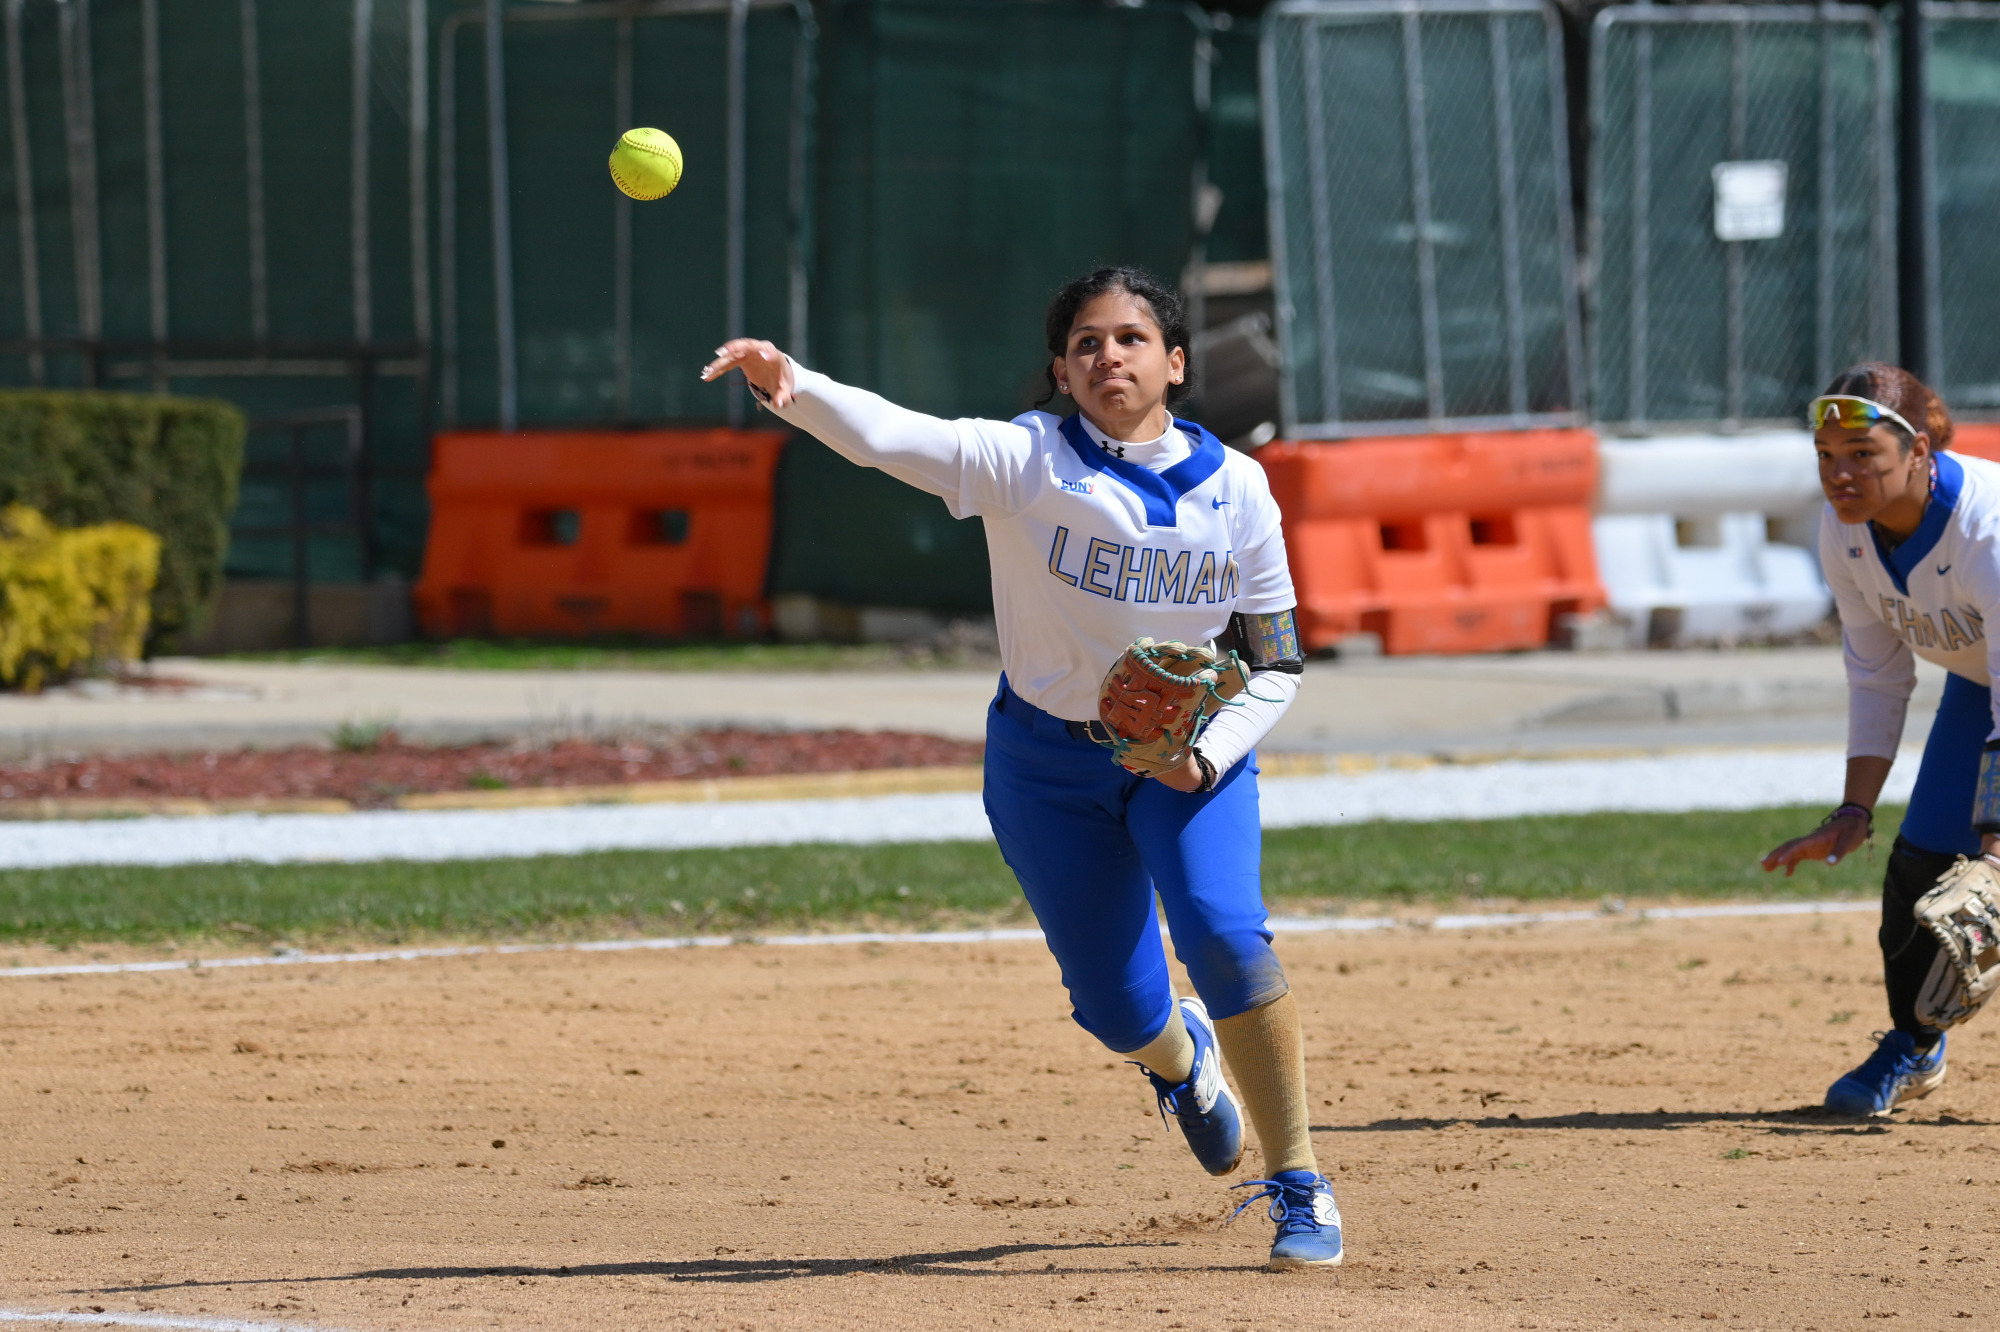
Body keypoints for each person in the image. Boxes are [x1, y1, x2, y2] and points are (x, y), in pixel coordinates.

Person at [703, 267, 1341, 1269]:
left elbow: (1275, 661)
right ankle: (1179, 1062)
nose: (1108, 357)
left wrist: (1202, 754)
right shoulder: (1027, 460)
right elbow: (889, 437)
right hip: (1047, 764)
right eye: (1085, 343)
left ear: (1174, 362)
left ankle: (1298, 1183)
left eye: (1130, 338)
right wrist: (794, 384)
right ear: (1060, 370)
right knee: (1113, 1006)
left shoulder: (1237, 488)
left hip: (1188, 765)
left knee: (1225, 938)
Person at [1762, 362, 2000, 1116]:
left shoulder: (1986, 534)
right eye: (1827, 456)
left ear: (1921, 453)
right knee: (1921, 870)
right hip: (1983, 681)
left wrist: (1996, 847)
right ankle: (1914, 1043)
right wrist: (1853, 812)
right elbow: (1877, 676)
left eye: (1864, 453)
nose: (1842, 473)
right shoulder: (1847, 533)